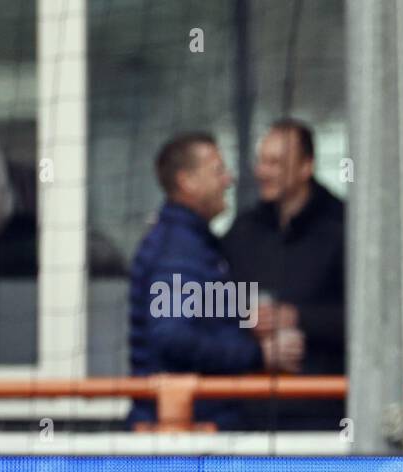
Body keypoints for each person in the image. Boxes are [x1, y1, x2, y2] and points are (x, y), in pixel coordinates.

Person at [127, 132, 301, 430]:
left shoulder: (195, 242)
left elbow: (198, 314)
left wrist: (244, 318)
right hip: (186, 433)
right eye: (218, 170)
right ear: (187, 181)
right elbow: (172, 336)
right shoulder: (178, 250)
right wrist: (259, 354)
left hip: (202, 424)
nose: (229, 180)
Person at [224, 119, 345, 430]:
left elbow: (375, 324)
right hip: (249, 411)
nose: (262, 172)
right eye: (261, 161)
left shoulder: (343, 228)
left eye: (275, 162)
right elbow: (217, 303)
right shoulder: (243, 230)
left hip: (325, 415)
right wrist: (244, 318)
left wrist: (298, 318)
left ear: (306, 167)